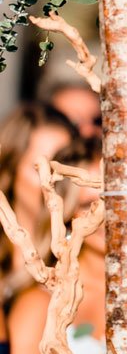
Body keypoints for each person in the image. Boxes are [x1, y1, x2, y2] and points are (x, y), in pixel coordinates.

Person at [10, 135, 106, 354]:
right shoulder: (41, 301)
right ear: (67, 212)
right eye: (91, 204)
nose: (107, 216)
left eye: (118, 201)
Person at [0, 102, 80, 302]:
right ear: (9, 170)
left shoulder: (77, 259)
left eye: (64, 168)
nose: (53, 181)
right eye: (40, 169)